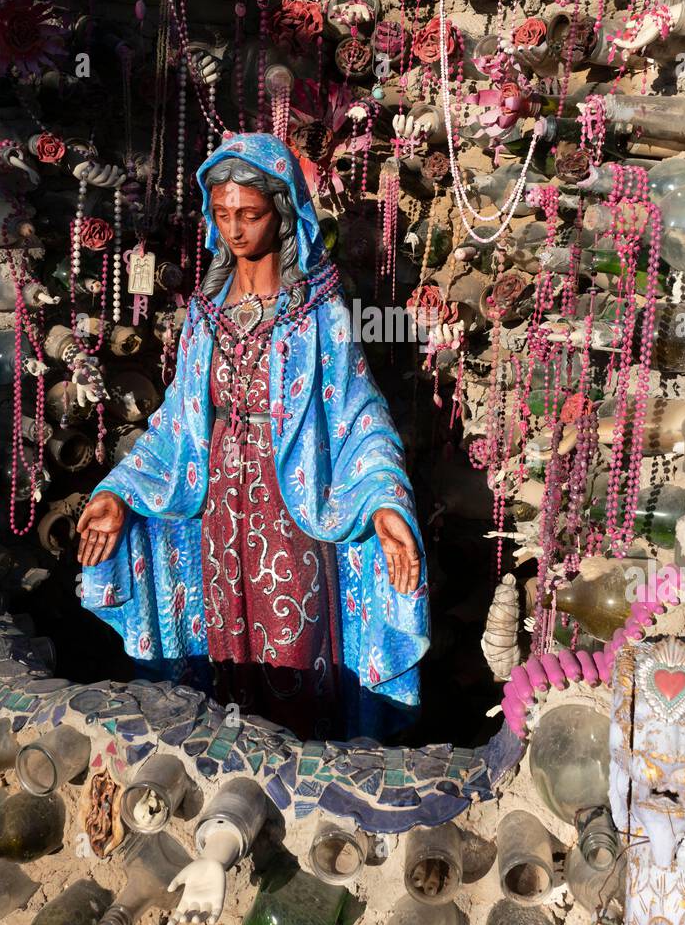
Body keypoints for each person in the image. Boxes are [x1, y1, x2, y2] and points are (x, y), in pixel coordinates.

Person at [76, 132, 429, 740]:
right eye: (221, 215)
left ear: (282, 211)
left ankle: (306, 778)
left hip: (290, 510)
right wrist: (119, 491)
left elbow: (360, 418)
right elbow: (174, 424)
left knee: (294, 648)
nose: (235, 230)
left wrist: (385, 503)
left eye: (250, 214)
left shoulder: (319, 314)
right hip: (215, 513)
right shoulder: (204, 316)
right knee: (222, 648)